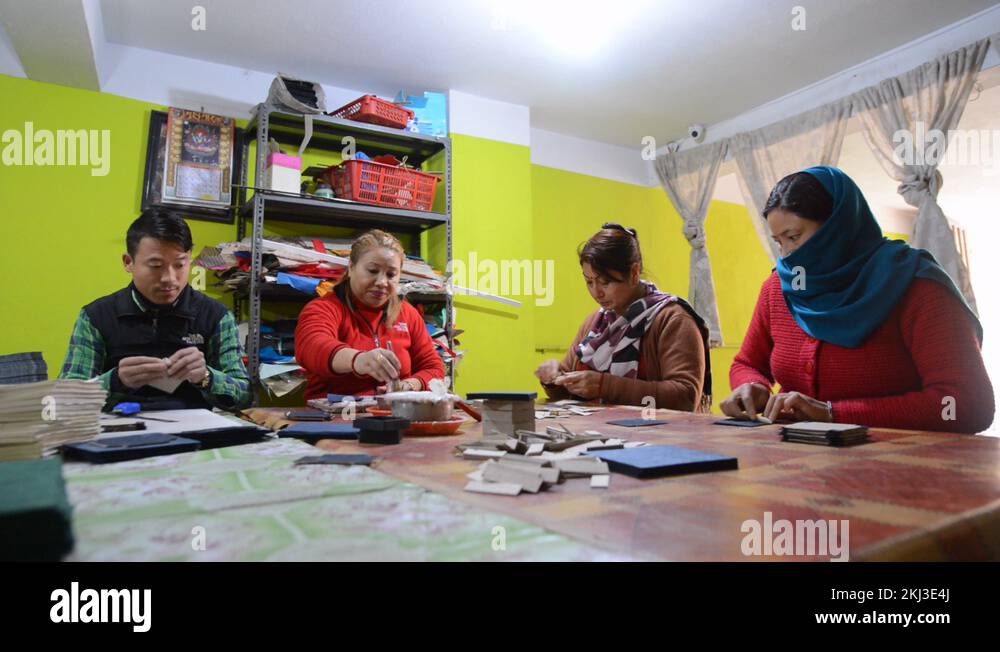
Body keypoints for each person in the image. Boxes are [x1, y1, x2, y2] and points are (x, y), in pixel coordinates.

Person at [722, 166, 994, 433]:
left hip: (900, 468)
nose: (787, 255)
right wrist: (752, 386)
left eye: (794, 237)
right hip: (798, 465)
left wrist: (833, 413)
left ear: (837, 227)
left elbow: (965, 404)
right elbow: (747, 363)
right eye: (779, 242)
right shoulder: (779, 289)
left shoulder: (916, 286)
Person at [60, 209, 251, 411]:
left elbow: (244, 396)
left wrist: (206, 377)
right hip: (117, 435)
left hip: (193, 434)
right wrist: (115, 381)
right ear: (128, 262)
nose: (169, 278)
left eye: (179, 264)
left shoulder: (215, 315)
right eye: (156, 265)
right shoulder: (97, 316)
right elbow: (66, 401)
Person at [535, 223, 712, 411]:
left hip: (652, 436)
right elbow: (569, 390)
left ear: (634, 273)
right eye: (589, 282)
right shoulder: (596, 323)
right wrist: (554, 377)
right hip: (598, 435)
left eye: (605, 281)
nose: (596, 292)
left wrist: (605, 386)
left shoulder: (672, 320)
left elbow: (685, 396)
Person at [295, 229, 445, 399]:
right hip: (335, 419)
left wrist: (410, 385)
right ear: (351, 267)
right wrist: (359, 360)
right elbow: (312, 347)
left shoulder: (408, 314)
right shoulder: (324, 309)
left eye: (391, 274)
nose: (381, 282)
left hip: (395, 415)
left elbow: (434, 368)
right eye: (373, 271)